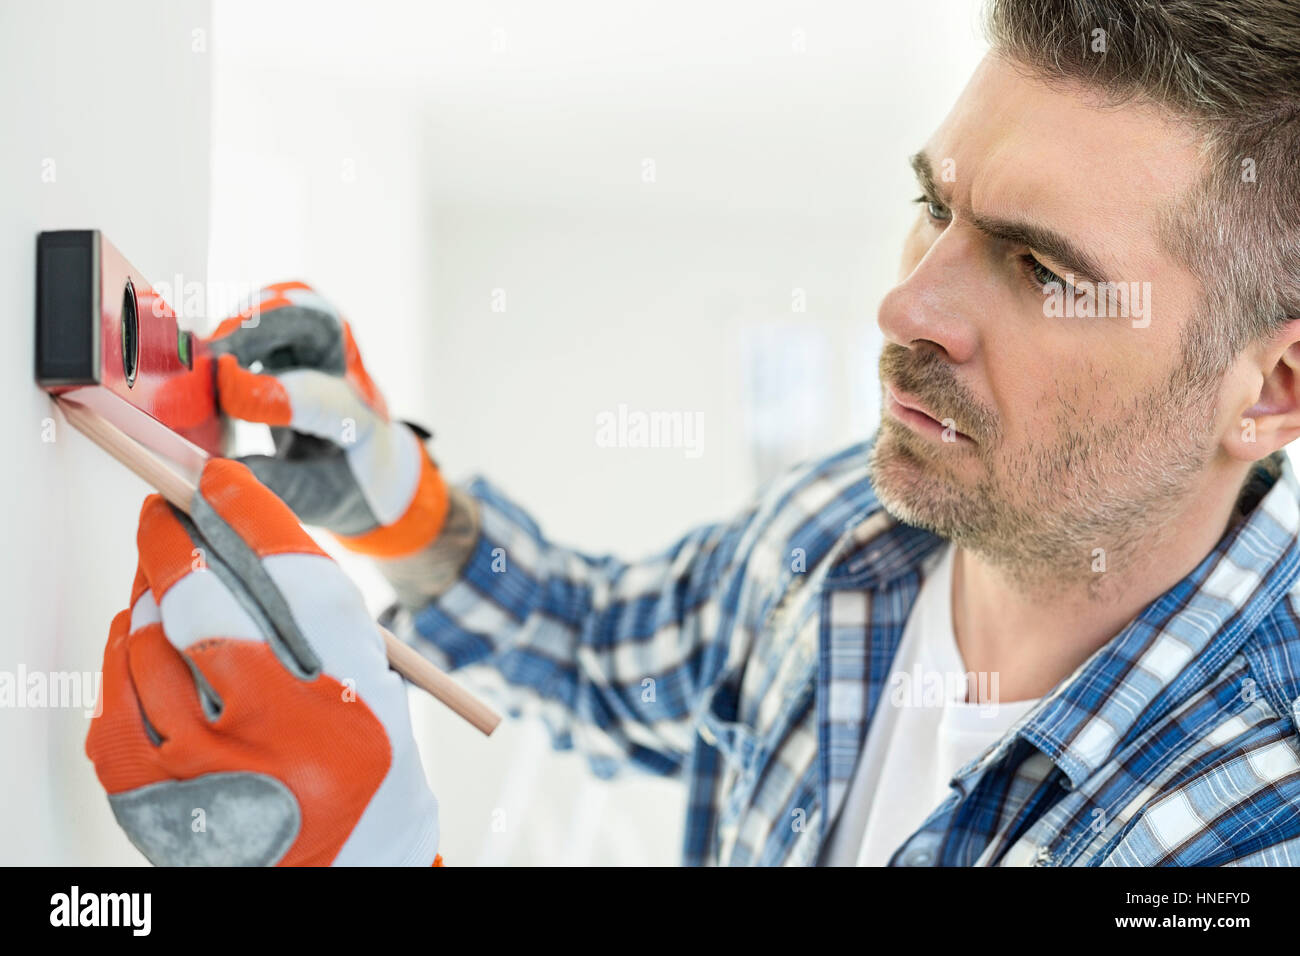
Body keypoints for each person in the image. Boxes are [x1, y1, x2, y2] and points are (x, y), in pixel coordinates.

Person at [85, 0, 1300, 866]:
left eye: (1038, 268)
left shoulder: (1247, 820)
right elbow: (599, 640)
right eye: (934, 205)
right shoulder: (847, 529)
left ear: (1272, 387)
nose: (907, 304)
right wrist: (403, 505)